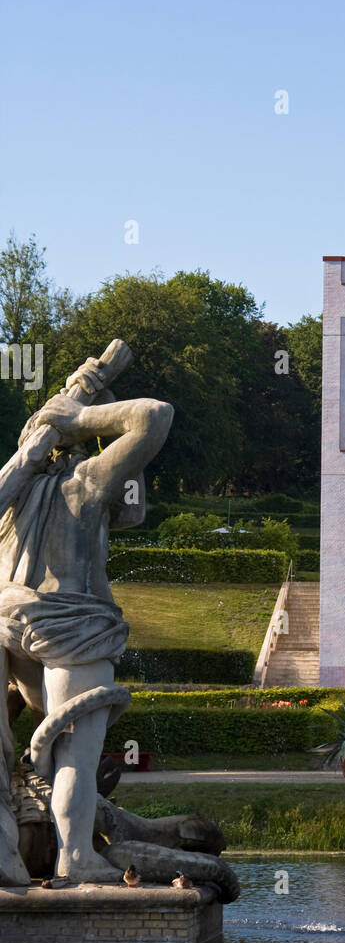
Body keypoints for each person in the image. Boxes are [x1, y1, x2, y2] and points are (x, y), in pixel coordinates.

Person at [0, 356, 172, 884]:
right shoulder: (86, 481)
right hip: (70, 625)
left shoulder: (11, 492)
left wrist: (40, 442)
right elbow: (154, 416)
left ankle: (5, 860)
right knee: (75, 746)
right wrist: (81, 416)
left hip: (4, 613)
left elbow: (133, 509)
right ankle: (75, 855)